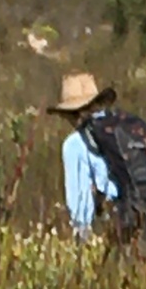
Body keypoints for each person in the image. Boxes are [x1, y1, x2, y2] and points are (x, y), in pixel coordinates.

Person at [49, 73, 146, 251]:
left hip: (122, 229)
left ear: (69, 113)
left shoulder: (75, 144)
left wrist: (82, 251)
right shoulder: (129, 126)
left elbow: (80, 209)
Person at [50, 73, 118, 239]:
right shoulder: (123, 129)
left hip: (112, 230)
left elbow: (80, 208)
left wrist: (83, 245)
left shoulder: (74, 145)